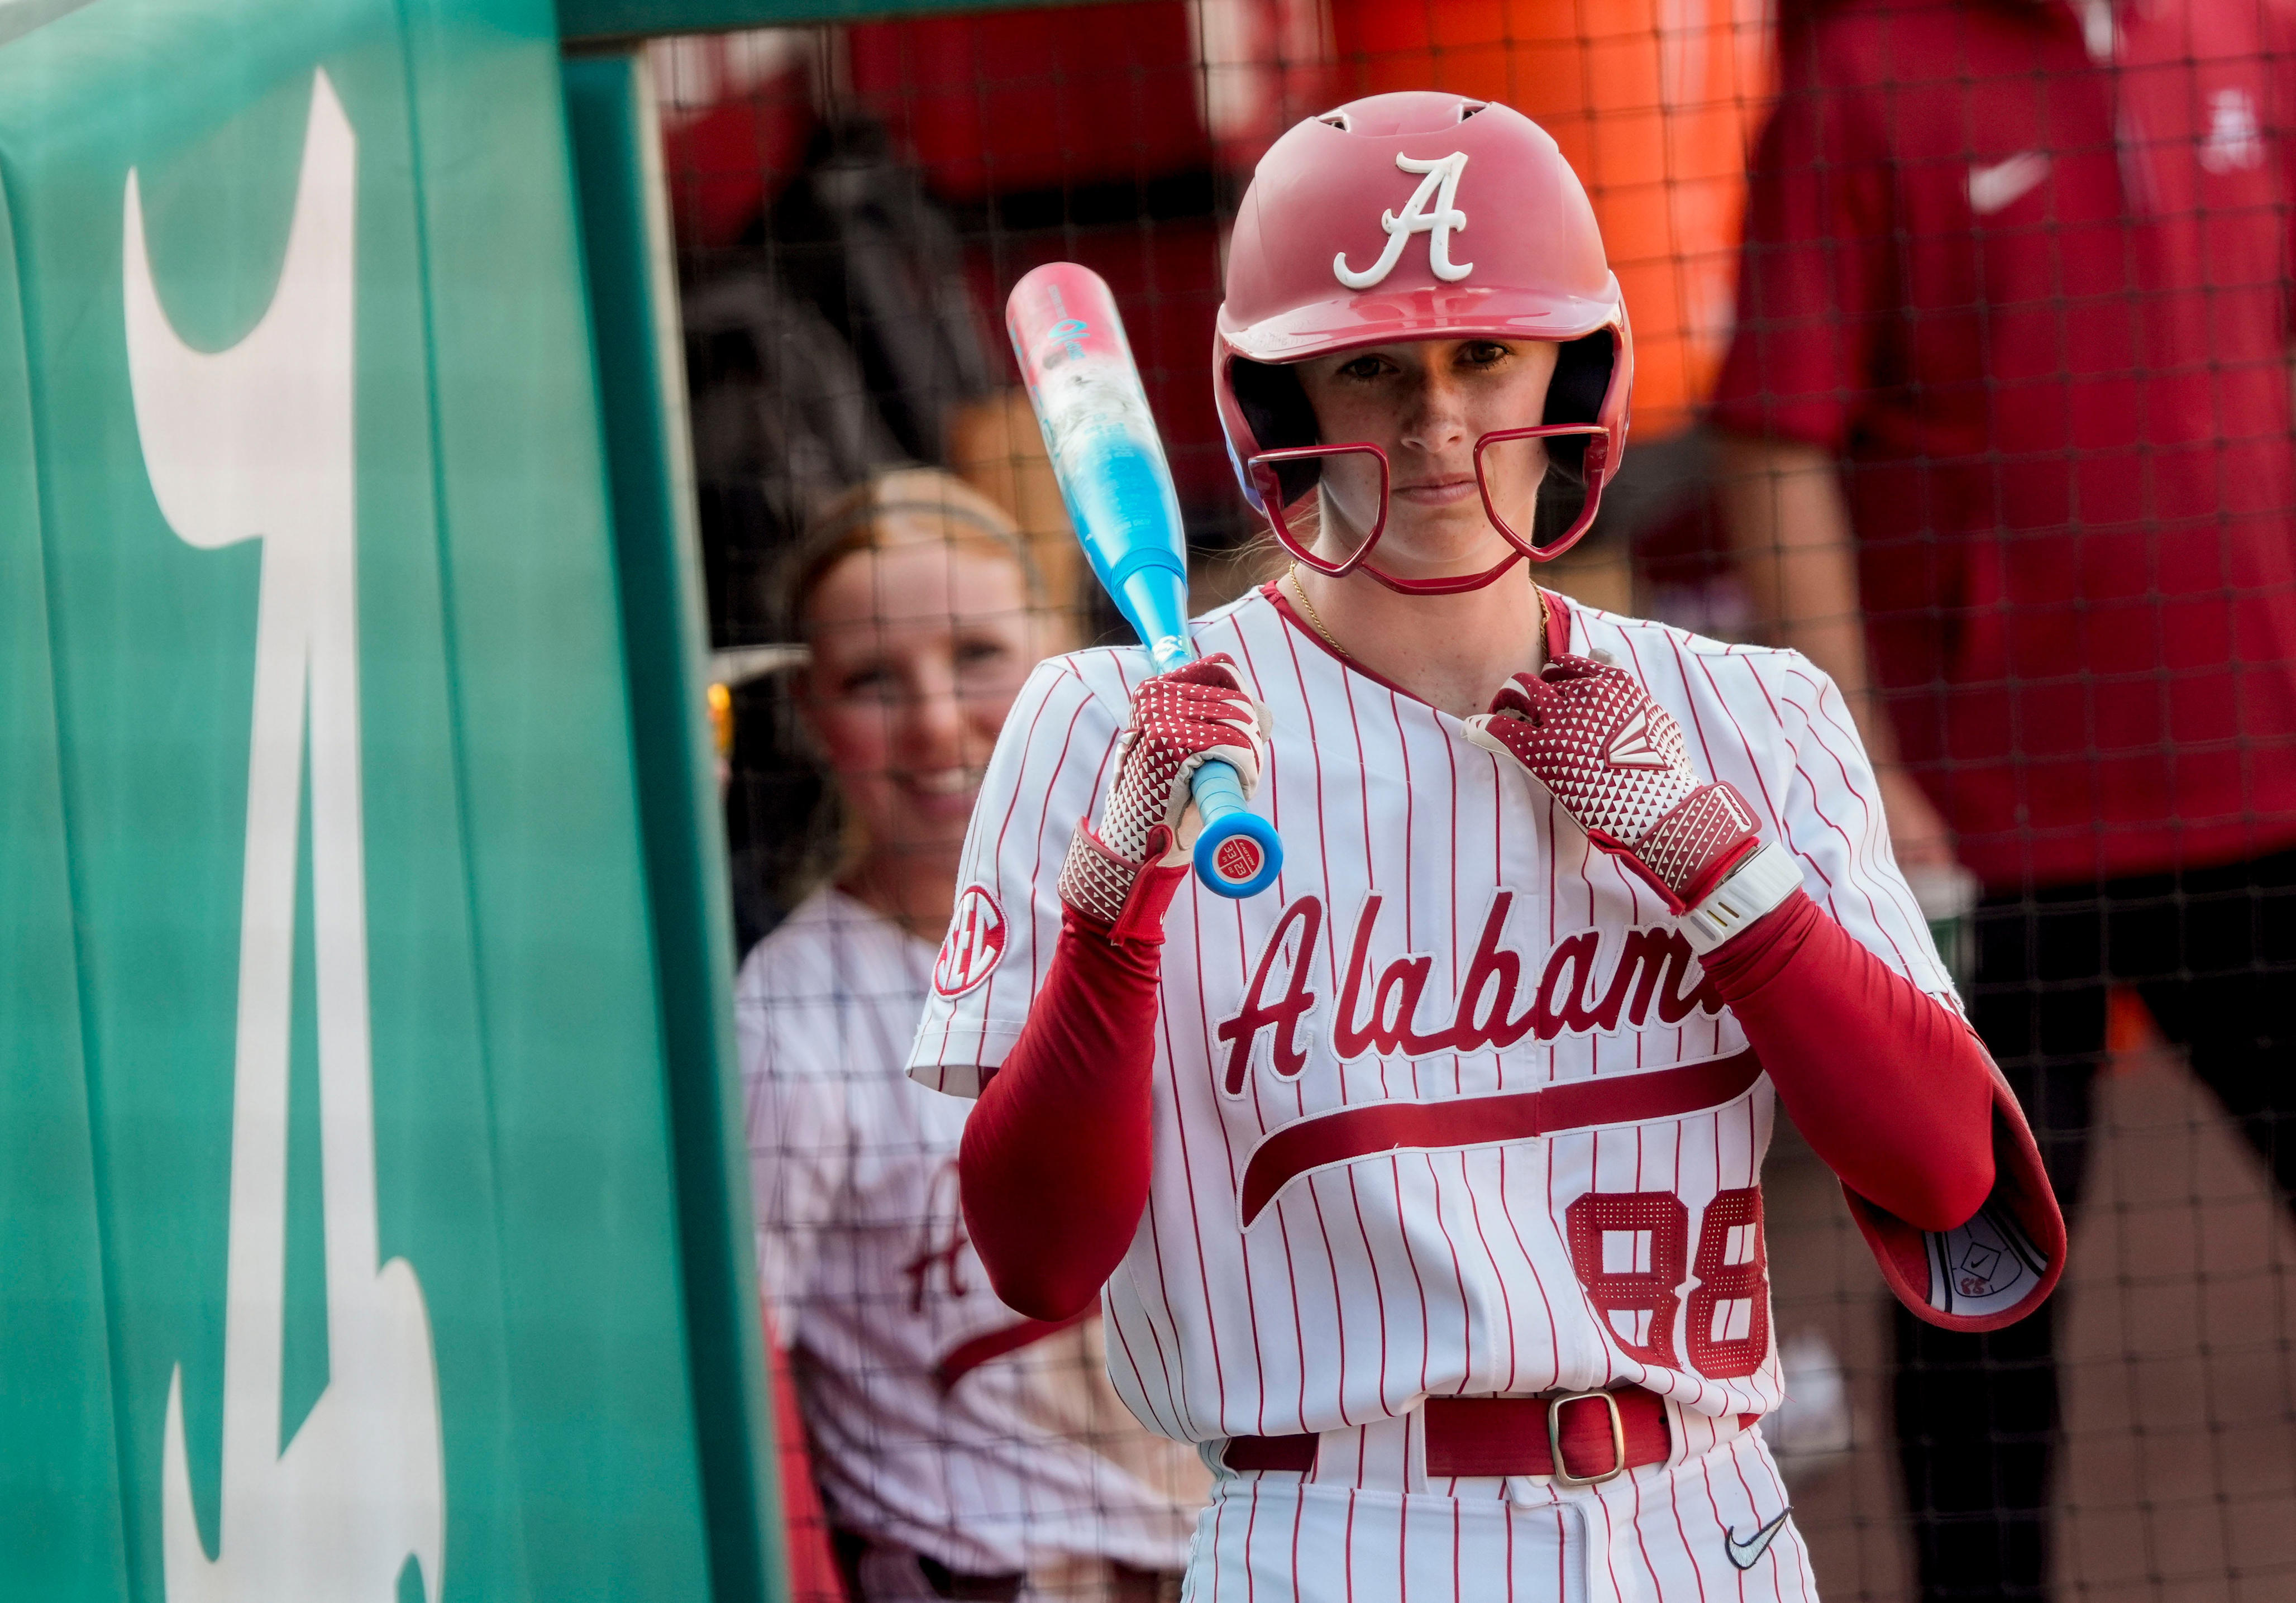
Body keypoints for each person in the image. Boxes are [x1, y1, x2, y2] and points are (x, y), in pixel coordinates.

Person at [906, 92, 2065, 1603]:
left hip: (1709, 1519)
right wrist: (1116, 911)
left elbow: (1940, 1163)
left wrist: (1721, 867)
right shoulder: (1102, 727)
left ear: (1575, 371)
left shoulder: (1748, 711)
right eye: (1374, 364)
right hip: (1341, 1526)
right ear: (1278, 399)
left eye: (1485, 354)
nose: (1438, 420)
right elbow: (1038, 1260)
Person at [1709, 3, 2296, 1595]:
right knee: (1983, 1307)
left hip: (2266, 791)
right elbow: (1770, 439)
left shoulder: (2254, 31)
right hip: (1984, 834)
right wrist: (1861, 769)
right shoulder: (1863, 75)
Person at [737, 467, 1205, 1603]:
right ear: (810, 713)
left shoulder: (1193, 913)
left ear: (1060, 655)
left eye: (978, 656)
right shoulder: (785, 1011)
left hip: (1237, 1557)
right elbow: (750, 1387)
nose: (939, 721)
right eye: (872, 680)